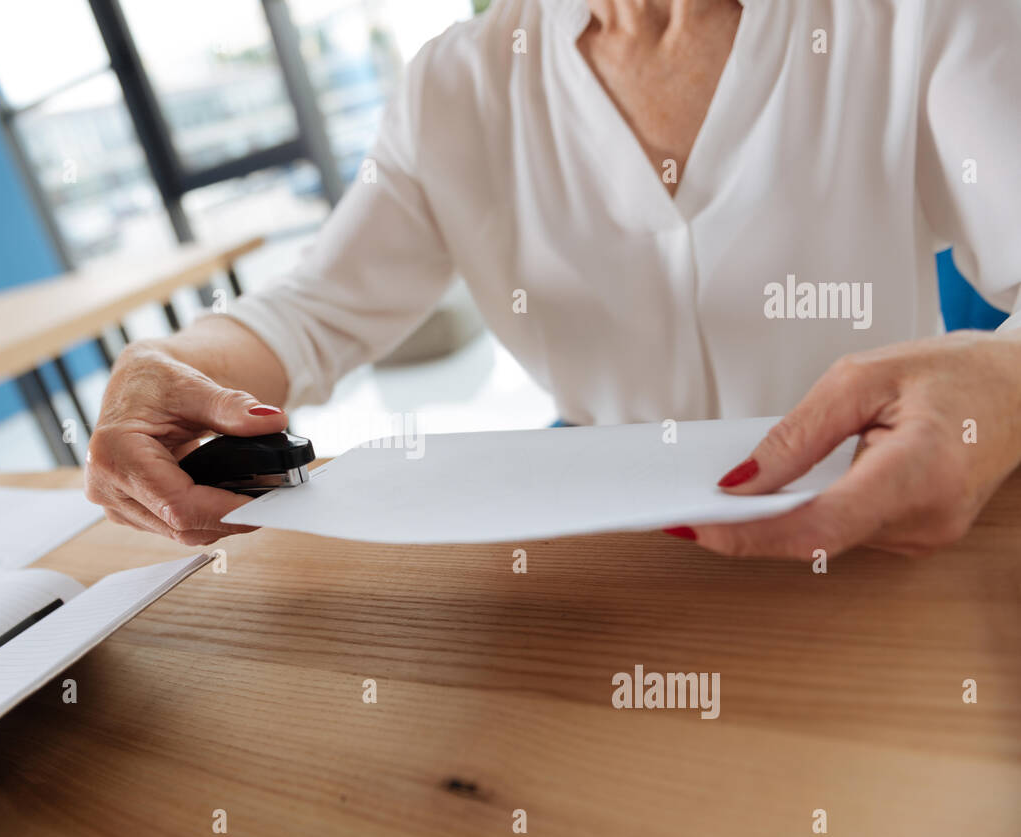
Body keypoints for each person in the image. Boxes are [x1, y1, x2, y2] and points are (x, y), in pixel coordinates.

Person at [85, 0, 1021, 559]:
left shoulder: (917, 19)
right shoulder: (460, 82)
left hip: (882, 537)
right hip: (609, 572)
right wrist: (162, 362)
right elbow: (313, 312)